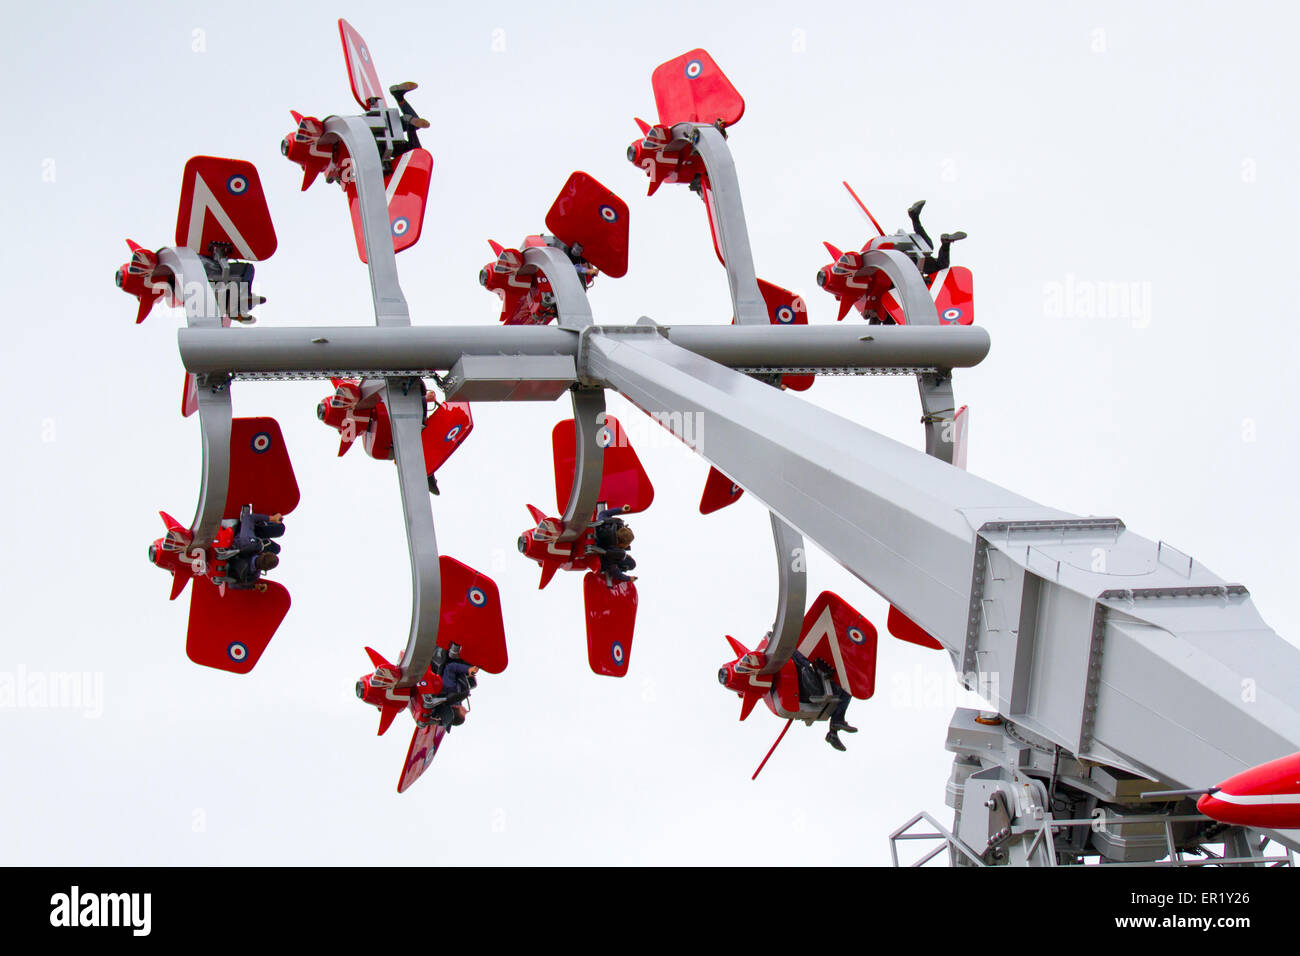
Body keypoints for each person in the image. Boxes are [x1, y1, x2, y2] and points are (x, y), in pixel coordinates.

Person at [790, 650, 857, 751]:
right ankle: (835, 726)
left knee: (848, 684)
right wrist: (813, 665)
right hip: (807, 685)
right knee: (842, 683)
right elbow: (801, 658)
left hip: (820, 678)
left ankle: (834, 729)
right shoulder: (795, 647)